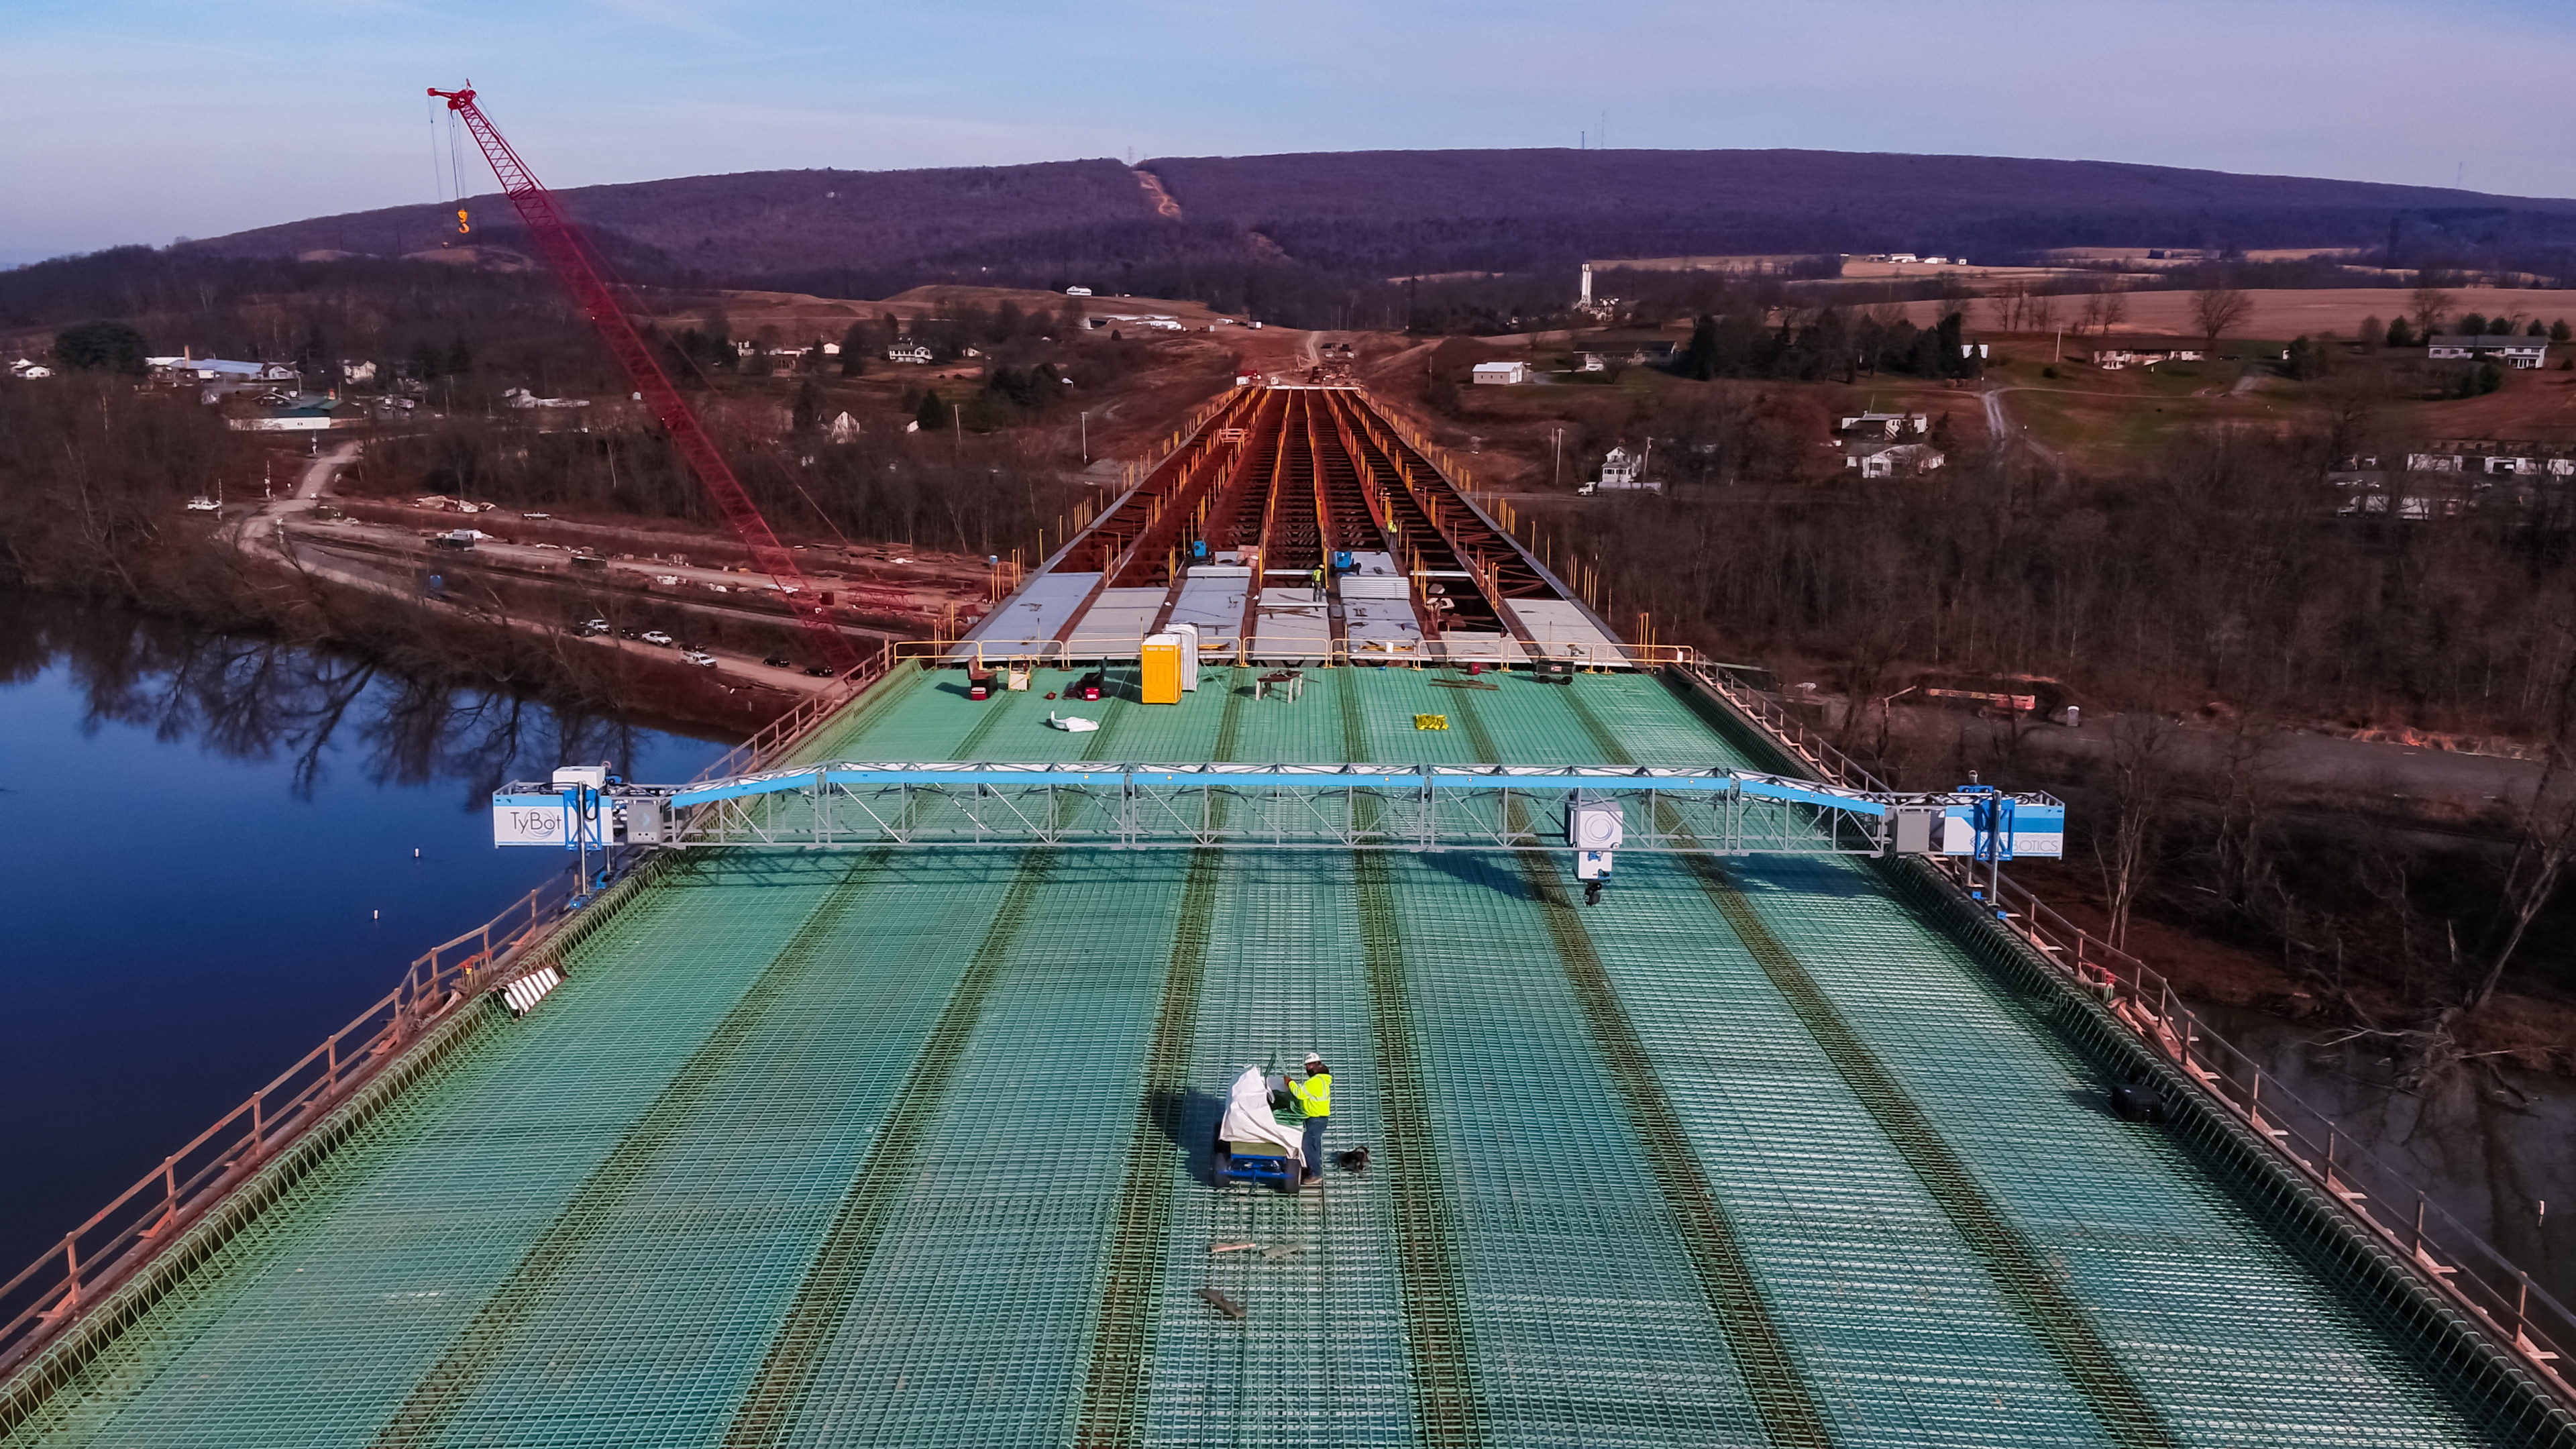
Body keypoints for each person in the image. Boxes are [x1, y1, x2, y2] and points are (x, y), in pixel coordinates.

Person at [1291, 1053, 1332, 1183]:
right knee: (1314, 1146)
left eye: (1310, 1065)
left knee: (1308, 1145)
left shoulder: (1316, 1081)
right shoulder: (1322, 1080)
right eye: (1306, 1066)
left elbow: (1300, 1094)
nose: (1308, 1068)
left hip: (1316, 1118)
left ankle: (1315, 1173)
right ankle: (1312, 1169)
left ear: (1317, 1065)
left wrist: (1290, 1082)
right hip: (1316, 1118)